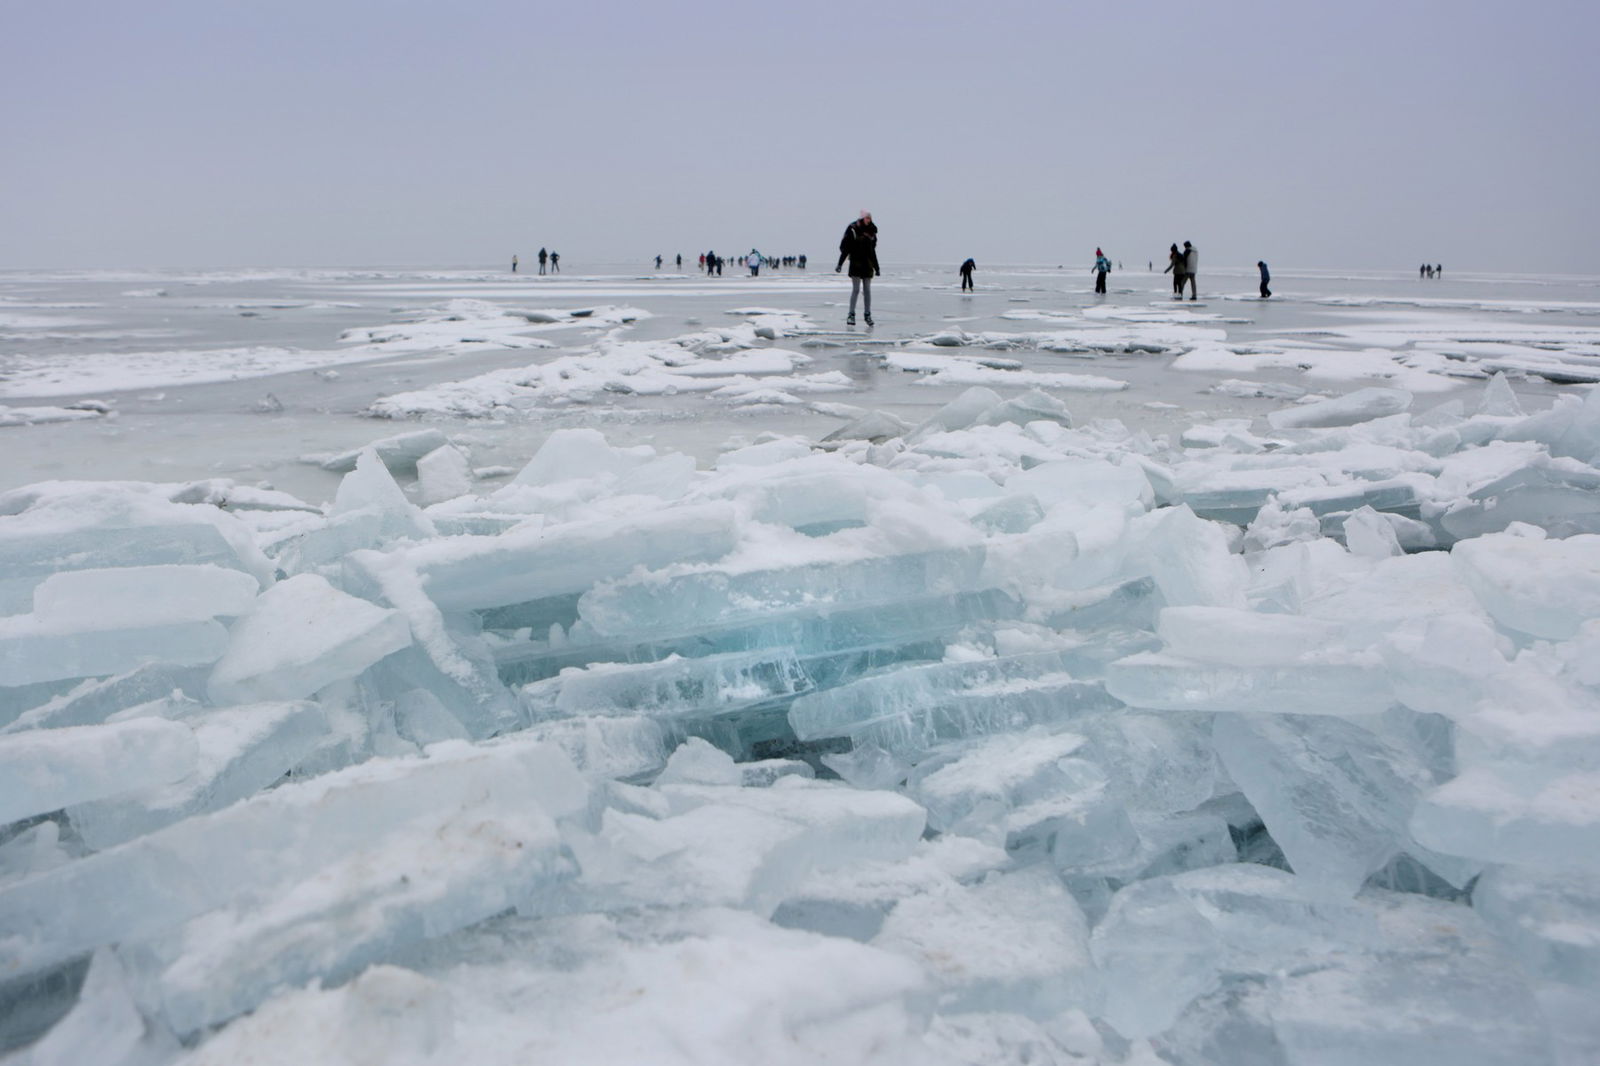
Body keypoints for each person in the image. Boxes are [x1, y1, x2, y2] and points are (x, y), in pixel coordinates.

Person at [836, 211, 880, 326]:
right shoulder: (853, 230)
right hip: (856, 263)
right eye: (866, 218)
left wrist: (877, 267)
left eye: (869, 218)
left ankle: (867, 314)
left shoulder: (872, 232)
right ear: (862, 219)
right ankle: (851, 315)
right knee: (855, 290)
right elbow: (846, 249)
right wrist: (840, 264)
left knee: (867, 291)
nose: (868, 220)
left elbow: (872, 252)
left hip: (867, 265)